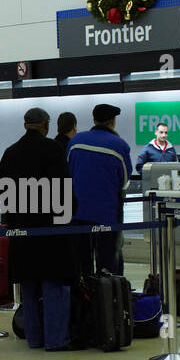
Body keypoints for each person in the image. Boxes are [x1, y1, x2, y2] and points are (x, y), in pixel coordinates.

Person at [0, 108, 75, 351]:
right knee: (54, 285)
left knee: (29, 286)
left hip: (21, 230)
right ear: (45, 125)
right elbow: (63, 188)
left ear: (25, 125)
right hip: (50, 229)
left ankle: (34, 338)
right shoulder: (53, 150)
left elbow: (5, 195)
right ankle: (56, 339)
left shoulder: (9, 154)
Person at [67, 103, 132, 276]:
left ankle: (84, 297)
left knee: (81, 261)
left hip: (77, 211)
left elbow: (67, 172)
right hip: (107, 212)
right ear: (113, 122)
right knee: (107, 263)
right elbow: (125, 181)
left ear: (94, 120)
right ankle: (107, 298)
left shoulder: (75, 141)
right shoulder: (120, 145)